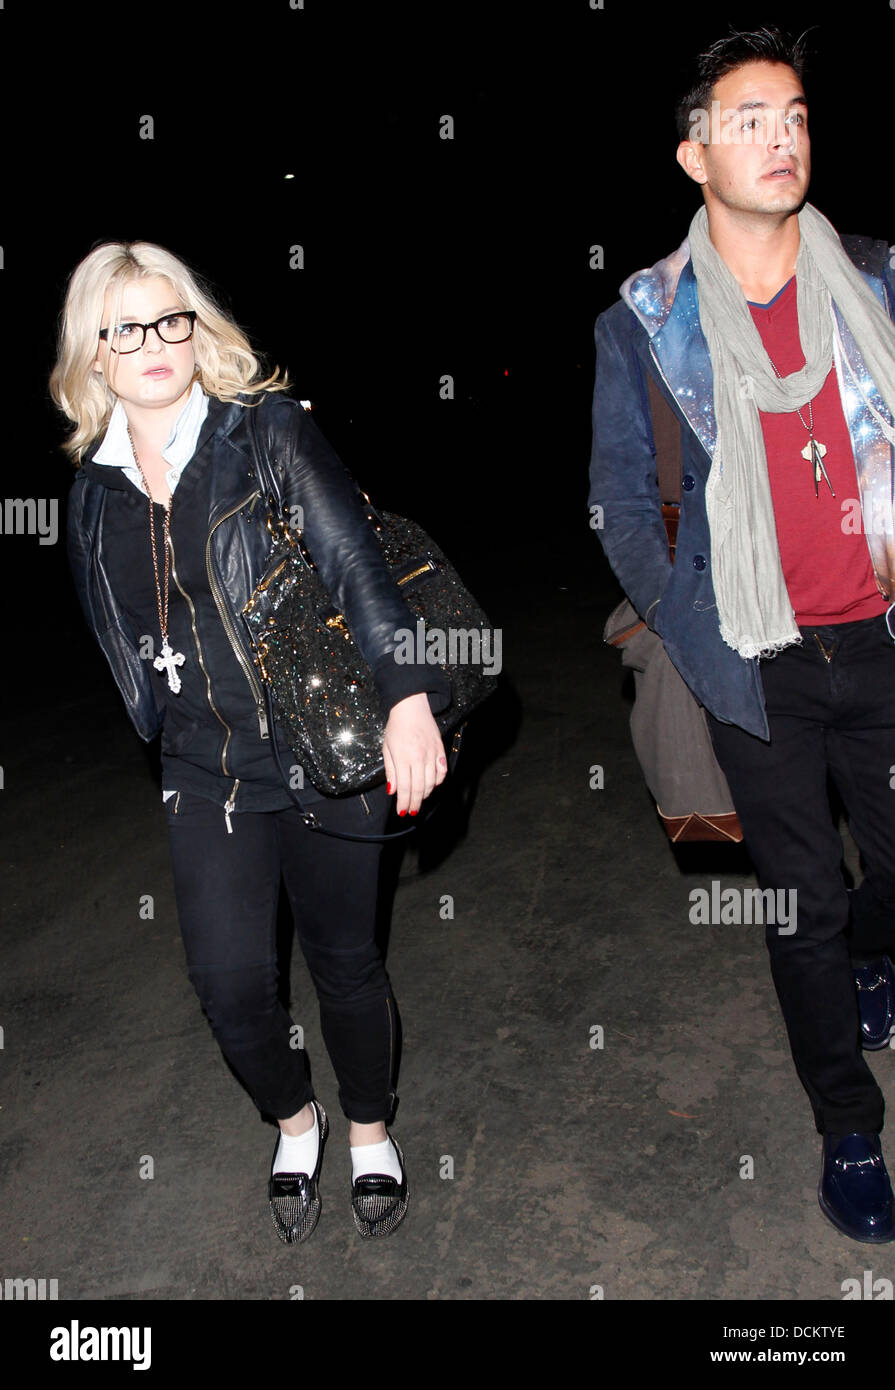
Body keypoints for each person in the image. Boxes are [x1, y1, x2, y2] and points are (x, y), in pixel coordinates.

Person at [53, 240, 452, 1244]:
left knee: (346, 961)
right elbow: (125, 632)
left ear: (196, 328)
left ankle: (366, 1131)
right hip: (206, 771)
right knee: (231, 989)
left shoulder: (261, 433)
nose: (153, 343)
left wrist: (405, 697)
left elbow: (354, 559)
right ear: (92, 355)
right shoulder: (90, 495)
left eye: (170, 318)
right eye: (126, 328)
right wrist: (163, 734)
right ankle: (294, 1117)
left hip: (325, 749)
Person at [589, 25, 895, 1243]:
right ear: (693, 154)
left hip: (881, 637)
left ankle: (880, 953)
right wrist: (702, 642)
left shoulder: (875, 282)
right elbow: (619, 500)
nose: (782, 138)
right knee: (801, 906)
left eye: (797, 115)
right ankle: (849, 1126)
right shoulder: (644, 322)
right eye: (750, 119)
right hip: (756, 660)